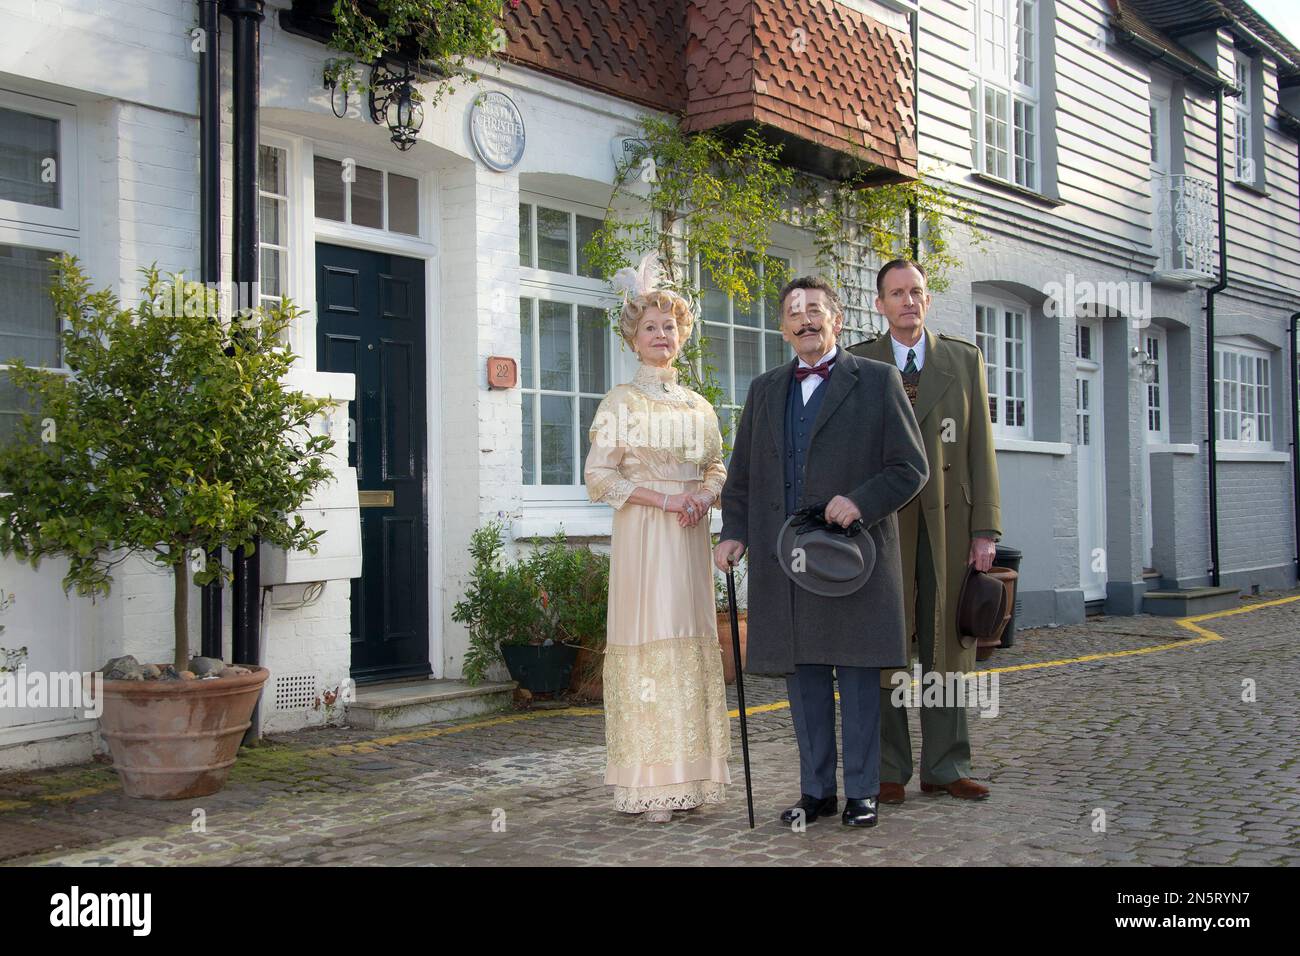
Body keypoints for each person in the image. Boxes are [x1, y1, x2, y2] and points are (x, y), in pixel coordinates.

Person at [714, 276, 927, 828]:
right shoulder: (764, 390)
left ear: (836, 318)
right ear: (783, 327)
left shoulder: (878, 380)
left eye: (814, 310)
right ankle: (816, 792)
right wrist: (734, 531)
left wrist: (859, 501)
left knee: (856, 676)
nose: (804, 319)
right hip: (786, 563)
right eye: (792, 312)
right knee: (803, 679)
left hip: (852, 559)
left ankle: (861, 792)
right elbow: (741, 476)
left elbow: (911, 468)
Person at [848, 258, 1002, 803]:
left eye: (916, 292)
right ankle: (889, 770)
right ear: (880, 304)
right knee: (885, 644)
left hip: (949, 524)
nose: (907, 302)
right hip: (883, 529)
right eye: (896, 293)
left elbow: (981, 448)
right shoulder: (859, 362)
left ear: (927, 300)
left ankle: (946, 765)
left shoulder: (963, 359)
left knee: (947, 644)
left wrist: (986, 529)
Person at [584, 255, 731, 824]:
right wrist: (667, 499)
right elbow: (600, 478)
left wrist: (704, 494)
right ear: (633, 337)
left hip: (690, 539)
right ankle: (647, 784)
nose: (661, 334)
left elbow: (718, 465)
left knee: (691, 642)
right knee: (651, 644)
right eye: (651, 326)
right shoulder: (621, 402)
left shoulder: (698, 405)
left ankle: (689, 776)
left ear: (682, 335)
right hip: (646, 537)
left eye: (670, 326)